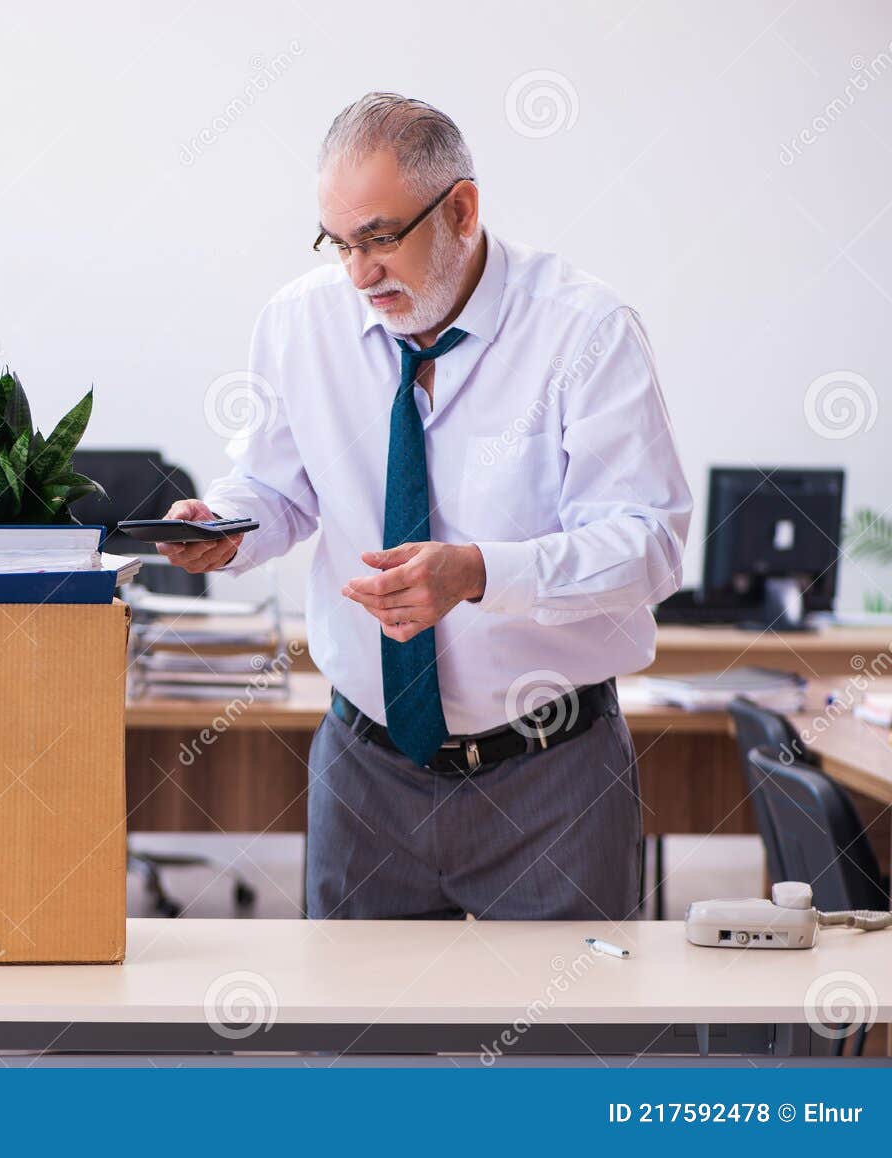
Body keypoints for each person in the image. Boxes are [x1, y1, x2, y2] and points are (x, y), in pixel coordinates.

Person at [159, 92, 692, 921]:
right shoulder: (301, 323)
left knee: (563, 1047)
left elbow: (648, 544)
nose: (359, 274)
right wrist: (224, 531)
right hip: (365, 771)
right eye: (338, 244)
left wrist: (481, 573)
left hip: (552, 776)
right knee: (353, 1045)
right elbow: (275, 487)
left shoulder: (585, 331)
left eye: (379, 238)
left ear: (463, 210)